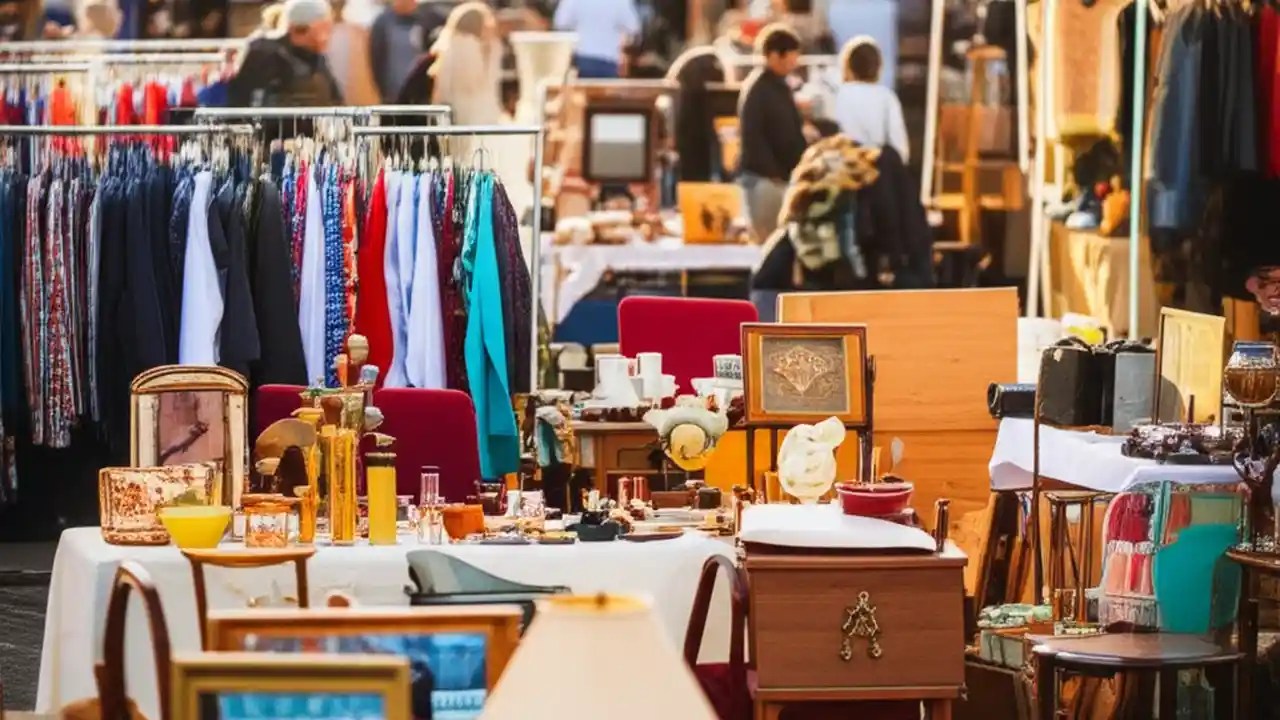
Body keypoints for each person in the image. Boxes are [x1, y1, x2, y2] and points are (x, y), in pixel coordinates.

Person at [738, 23, 806, 242]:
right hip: (765, 183)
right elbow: (753, 136)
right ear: (775, 56)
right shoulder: (758, 89)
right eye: (791, 58)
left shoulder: (779, 87)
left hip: (781, 180)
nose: (794, 63)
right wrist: (774, 174)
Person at [228, 0, 342, 108]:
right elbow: (246, 99)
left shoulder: (318, 59)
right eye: (323, 29)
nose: (328, 36)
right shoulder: (264, 52)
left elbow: (336, 100)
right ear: (298, 28)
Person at [833, 36, 909, 162]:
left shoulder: (838, 94)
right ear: (878, 67)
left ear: (847, 65)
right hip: (876, 168)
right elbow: (900, 149)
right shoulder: (887, 96)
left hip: (843, 167)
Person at [430, 2, 503, 126]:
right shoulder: (476, 48)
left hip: (463, 114)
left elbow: (442, 90)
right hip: (479, 114)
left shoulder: (450, 48)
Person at [552, 0, 640, 79]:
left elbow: (560, 23)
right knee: (607, 96)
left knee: (582, 95)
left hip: (583, 59)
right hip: (608, 61)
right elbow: (633, 28)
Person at [370, 0, 426, 103]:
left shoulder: (423, 22)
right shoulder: (382, 23)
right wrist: (383, 91)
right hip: (392, 94)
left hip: (417, 94)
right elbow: (376, 60)